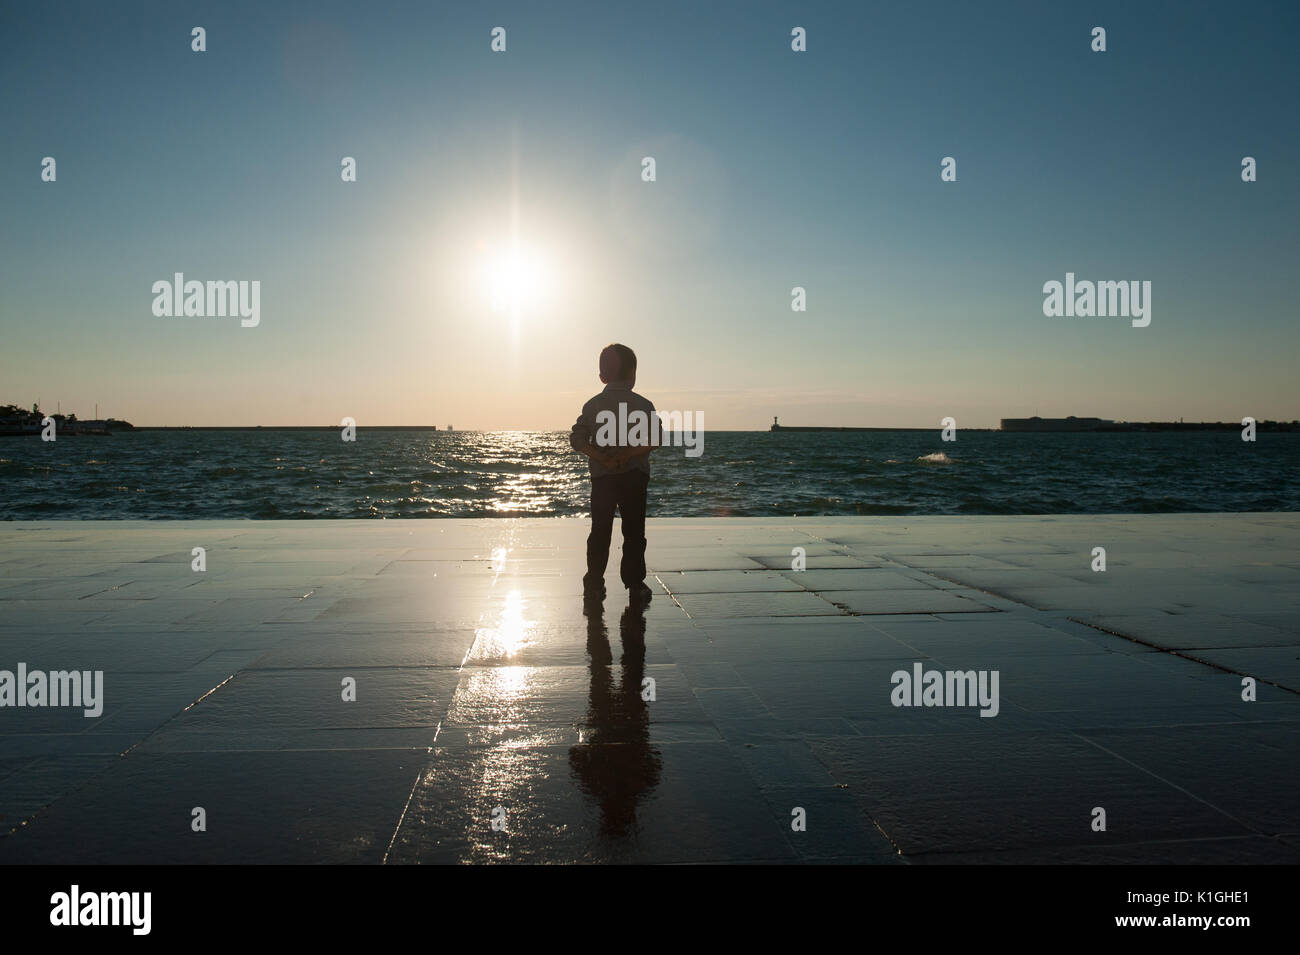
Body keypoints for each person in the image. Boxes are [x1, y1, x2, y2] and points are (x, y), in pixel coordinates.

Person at [570, 343, 658, 603]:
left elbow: (577, 439)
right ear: (632, 373)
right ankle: (634, 584)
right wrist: (627, 455)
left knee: (600, 531)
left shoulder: (592, 405)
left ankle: (594, 582)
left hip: (602, 478)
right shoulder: (643, 404)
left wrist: (602, 458)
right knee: (633, 532)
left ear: (602, 377)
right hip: (634, 477)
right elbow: (655, 438)